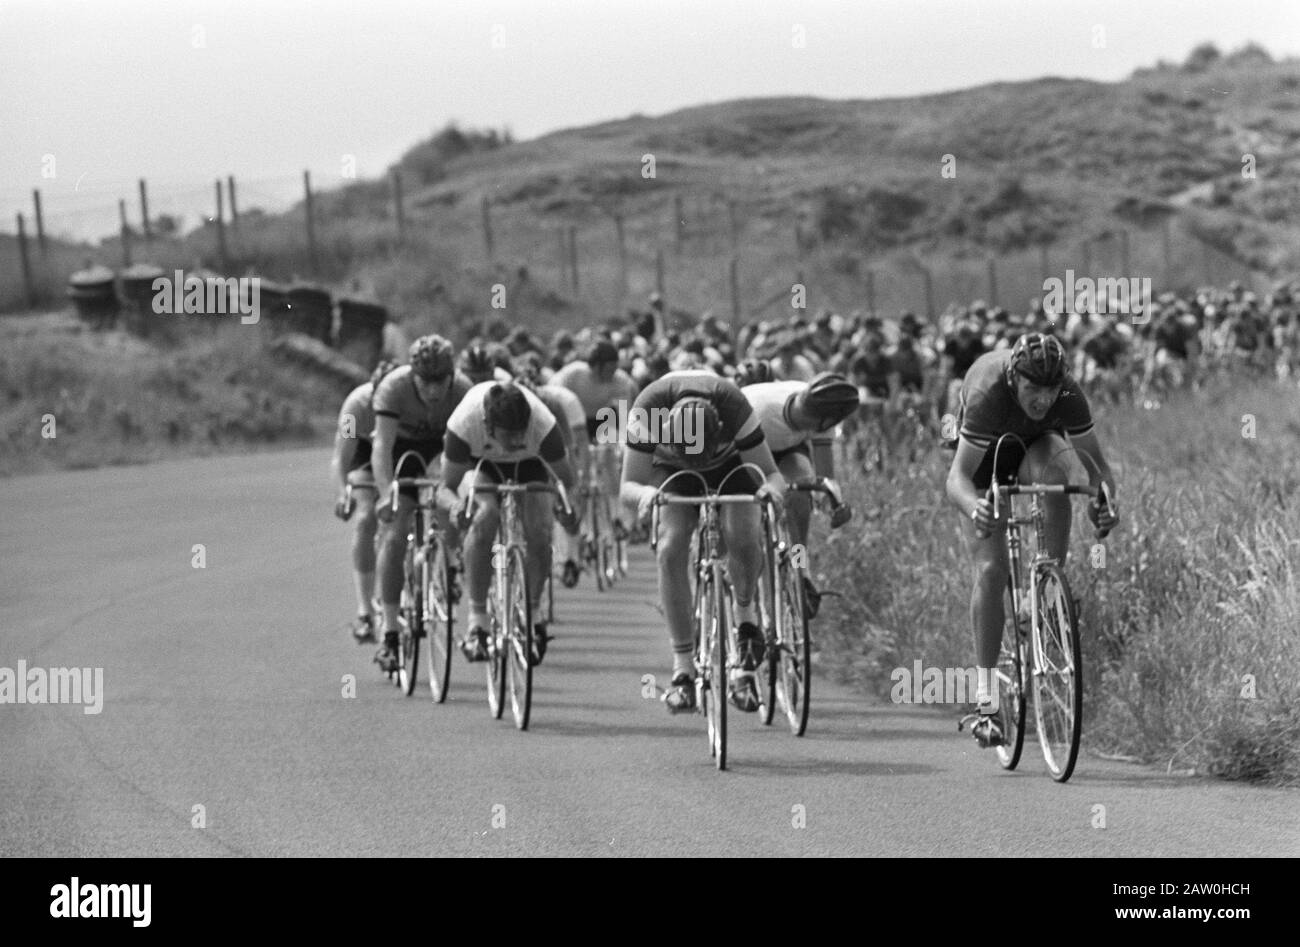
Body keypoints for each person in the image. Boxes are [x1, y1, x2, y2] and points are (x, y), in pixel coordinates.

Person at [945, 333, 1118, 748]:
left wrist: (1104, 500)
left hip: (1036, 445)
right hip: (986, 457)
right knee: (991, 569)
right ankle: (986, 699)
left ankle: (1044, 585)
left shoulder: (1068, 395)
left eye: (1050, 391)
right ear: (1014, 378)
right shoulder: (989, 392)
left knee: (1056, 477)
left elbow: (1099, 471)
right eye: (1032, 389)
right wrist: (975, 508)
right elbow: (956, 479)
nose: (1042, 400)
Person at [619, 370, 786, 714]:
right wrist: (646, 495)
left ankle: (746, 618)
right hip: (672, 470)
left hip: (729, 466)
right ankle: (683, 670)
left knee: (742, 533)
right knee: (670, 547)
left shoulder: (734, 406)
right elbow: (628, 486)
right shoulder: (648, 408)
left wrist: (771, 490)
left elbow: (770, 474)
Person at [436, 380, 578, 666]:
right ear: (488, 426)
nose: (514, 442)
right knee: (484, 515)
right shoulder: (464, 424)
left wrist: (570, 514)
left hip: (530, 464)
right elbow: (445, 488)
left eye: (519, 434)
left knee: (539, 529)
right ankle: (478, 622)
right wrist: (456, 508)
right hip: (482, 465)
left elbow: (568, 482)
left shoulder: (543, 425)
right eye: (507, 435)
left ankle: (534, 614)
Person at [370, 336, 473, 673]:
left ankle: (449, 563)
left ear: (451, 375)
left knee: (450, 510)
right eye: (424, 382)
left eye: (439, 382)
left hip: (445, 452)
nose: (431, 390)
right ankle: (389, 629)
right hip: (402, 453)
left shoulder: (463, 390)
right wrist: (387, 493)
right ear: (412, 375)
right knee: (395, 532)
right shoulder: (393, 387)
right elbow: (382, 446)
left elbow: (468, 456)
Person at [741, 373, 859, 614]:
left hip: (788, 451)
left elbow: (823, 478)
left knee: (800, 497)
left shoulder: (824, 415)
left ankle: (800, 571)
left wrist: (832, 504)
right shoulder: (760, 410)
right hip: (748, 444)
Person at [330, 359, 399, 643]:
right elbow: (342, 458)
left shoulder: (407, 400)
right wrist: (343, 492)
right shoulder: (356, 406)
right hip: (365, 451)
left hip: (398, 447)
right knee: (366, 517)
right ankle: (364, 611)